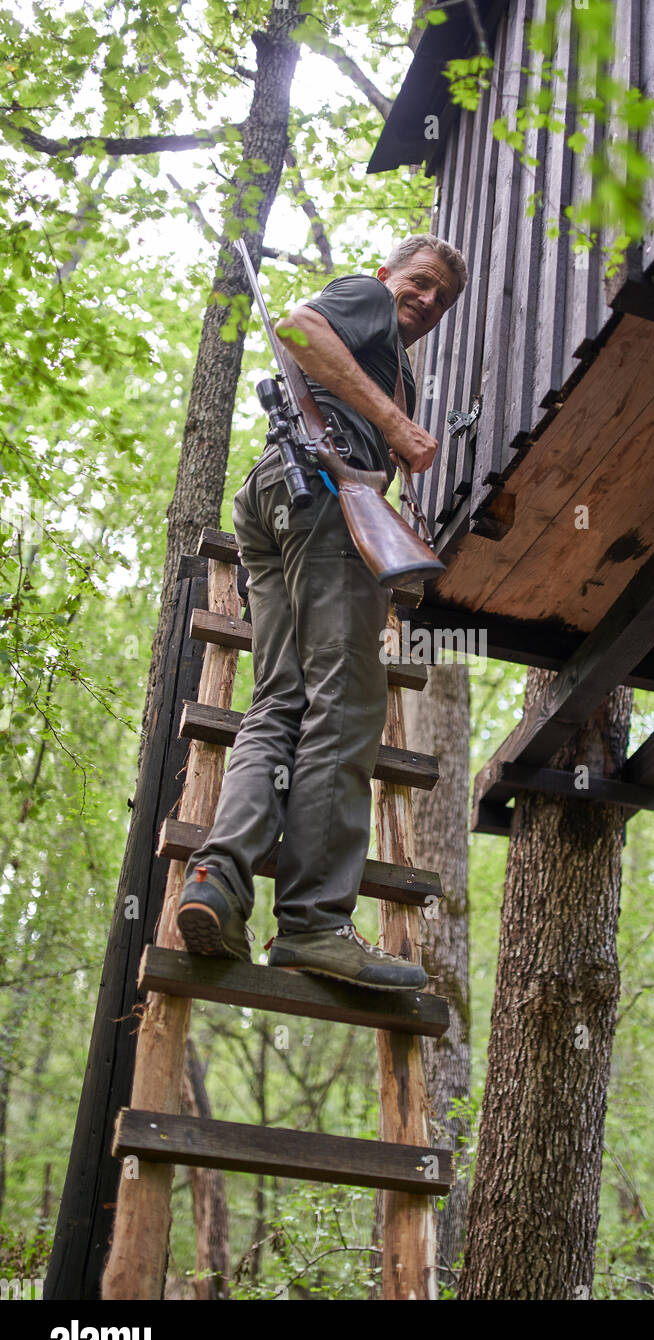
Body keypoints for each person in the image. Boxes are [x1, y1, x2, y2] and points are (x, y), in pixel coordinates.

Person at [176, 234, 467, 990]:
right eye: (422, 282)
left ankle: (217, 878)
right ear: (387, 276)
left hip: (278, 502)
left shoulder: (388, 362)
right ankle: (313, 924)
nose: (429, 300)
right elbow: (299, 327)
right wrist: (398, 429)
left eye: (443, 298)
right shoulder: (365, 300)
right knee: (344, 701)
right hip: (318, 496)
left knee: (281, 701)